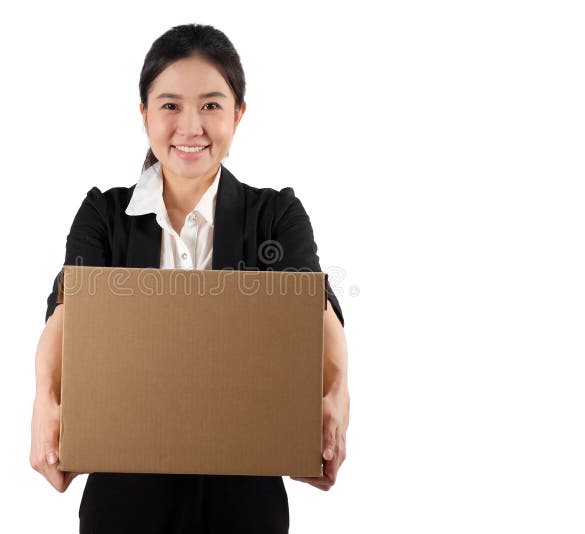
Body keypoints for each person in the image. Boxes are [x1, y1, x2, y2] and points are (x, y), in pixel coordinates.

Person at [30, 23, 350, 534]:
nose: (190, 126)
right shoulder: (104, 214)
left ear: (238, 115)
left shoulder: (275, 215)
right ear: (145, 114)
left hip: (244, 494)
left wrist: (335, 394)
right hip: (123, 494)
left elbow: (315, 307)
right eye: (171, 105)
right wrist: (45, 400)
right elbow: (68, 311)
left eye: (211, 105)